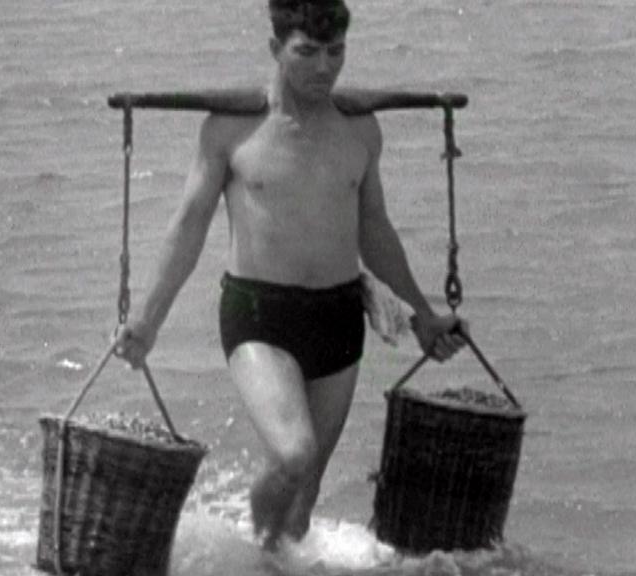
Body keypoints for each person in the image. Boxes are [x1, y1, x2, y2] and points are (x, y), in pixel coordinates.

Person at [114, 0, 468, 551]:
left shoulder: (361, 129)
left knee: (303, 499)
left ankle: (272, 557)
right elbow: (188, 225)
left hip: (339, 318)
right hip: (259, 316)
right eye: (307, 52)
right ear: (276, 48)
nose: (325, 68)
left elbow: (375, 231)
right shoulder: (231, 128)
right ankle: (252, 555)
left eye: (336, 52)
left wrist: (423, 316)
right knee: (293, 454)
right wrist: (146, 321)